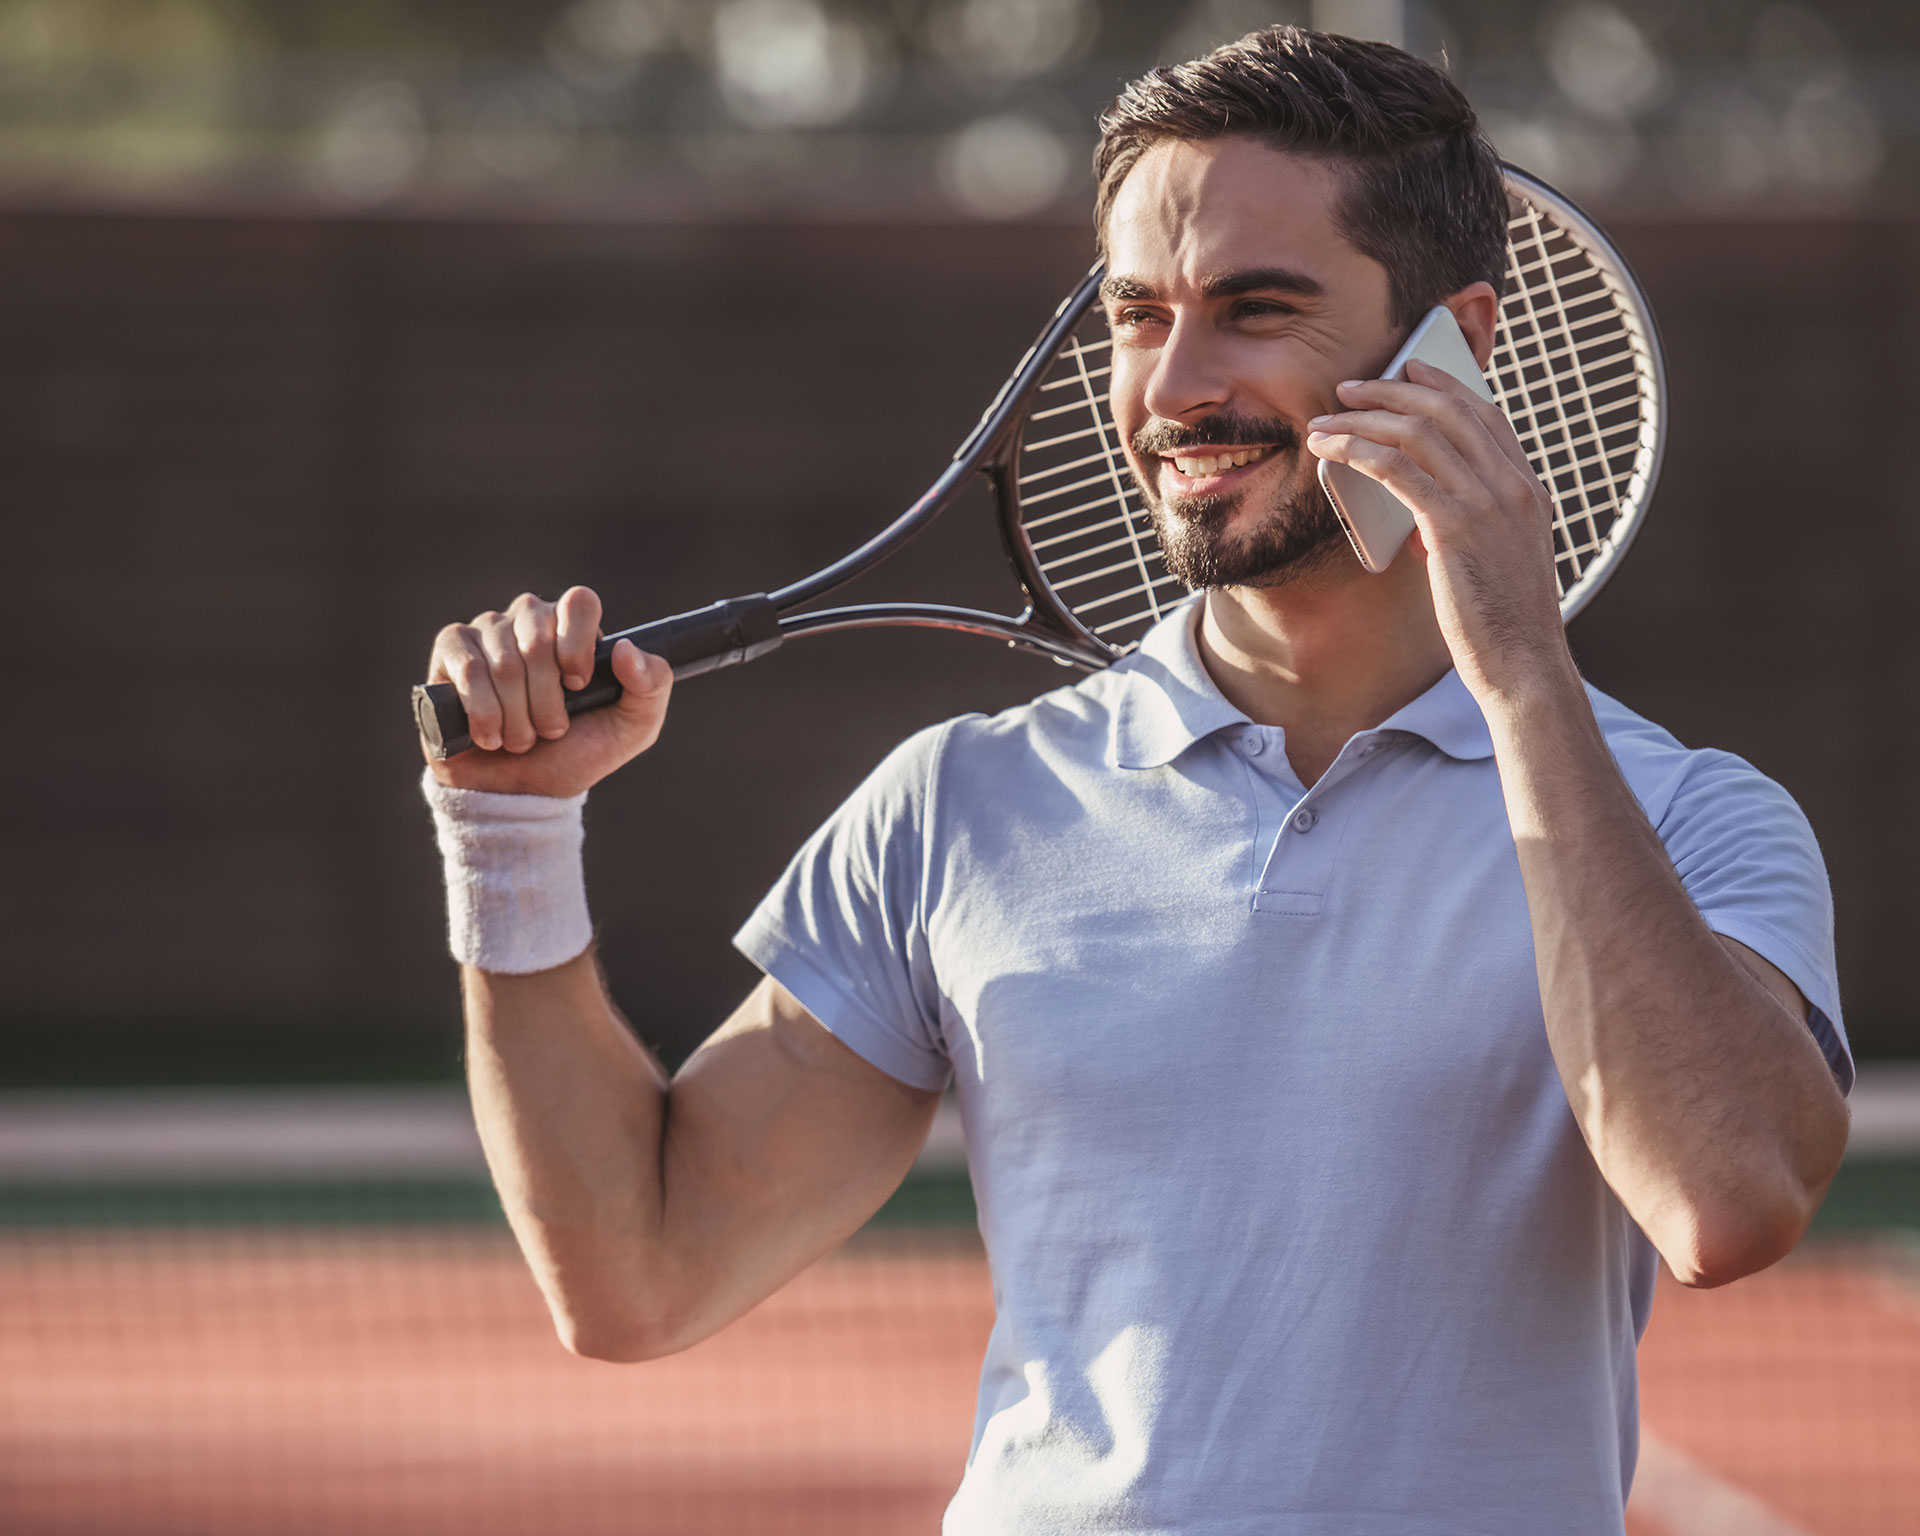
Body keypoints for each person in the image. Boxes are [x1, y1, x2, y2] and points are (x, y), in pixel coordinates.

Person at [419, 28, 1850, 1534]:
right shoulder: (958, 808)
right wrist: (511, 832)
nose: (1173, 386)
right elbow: (637, 1276)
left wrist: (1517, 671)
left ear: (1459, 346)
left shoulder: (1693, 820)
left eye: (1256, 310)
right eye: (1138, 315)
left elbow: (1724, 1199)